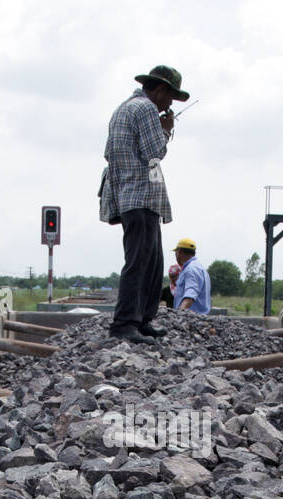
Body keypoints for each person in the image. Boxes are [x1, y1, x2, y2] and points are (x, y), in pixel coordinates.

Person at [99, 65, 190, 344]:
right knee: (140, 263)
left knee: (151, 263)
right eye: (170, 96)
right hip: (141, 197)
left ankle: (142, 320)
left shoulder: (122, 109)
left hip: (131, 197)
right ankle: (126, 324)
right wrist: (166, 130)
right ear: (160, 89)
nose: (169, 104)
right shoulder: (147, 109)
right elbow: (155, 152)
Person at [171, 237, 212, 313]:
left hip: (190, 317)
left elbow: (191, 293)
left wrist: (180, 312)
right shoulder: (199, 267)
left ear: (179, 252)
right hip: (200, 316)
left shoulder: (191, 269)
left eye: (176, 252)